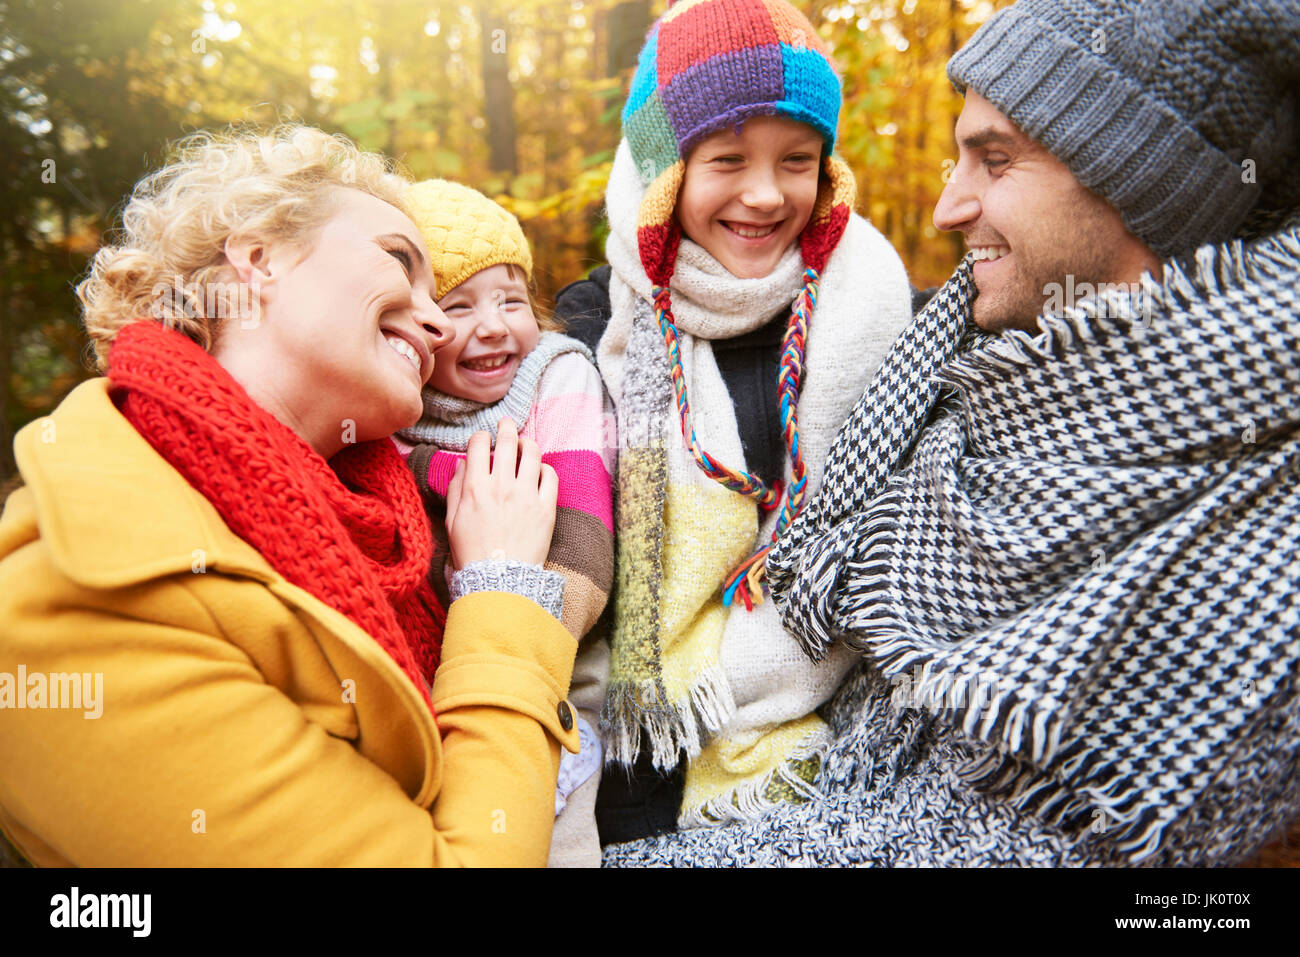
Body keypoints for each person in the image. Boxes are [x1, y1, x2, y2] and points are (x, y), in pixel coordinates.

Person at [603, 0, 1300, 866]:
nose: (943, 208)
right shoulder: (972, 366)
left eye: (995, 160)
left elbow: (961, 844)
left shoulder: (1256, 546)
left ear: (1135, 181)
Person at [0, 125, 582, 866]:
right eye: (399, 262)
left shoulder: (386, 523)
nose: (437, 323)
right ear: (258, 257)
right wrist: (503, 590)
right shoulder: (72, 596)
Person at [554, 0, 913, 841]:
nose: (765, 193)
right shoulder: (594, 327)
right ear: (663, 171)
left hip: (832, 729)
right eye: (725, 160)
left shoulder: (875, 311)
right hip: (629, 755)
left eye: (798, 159)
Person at [392, 179, 615, 867]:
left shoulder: (554, 376)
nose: (493, 325)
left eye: (511, 300)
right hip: (445, 667)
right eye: (458, 306)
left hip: (562, 653)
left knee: (557, 822)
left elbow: (586, 539)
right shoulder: (395, 405)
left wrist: (539, 631)